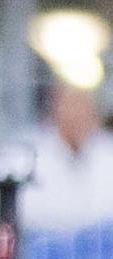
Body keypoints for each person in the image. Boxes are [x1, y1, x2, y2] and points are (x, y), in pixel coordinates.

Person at [20, 78, 113, 233]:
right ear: (56, 109)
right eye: (71, 106)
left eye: (83, 107)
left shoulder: (108, 152)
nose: (77, 115)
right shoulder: (27, 155)